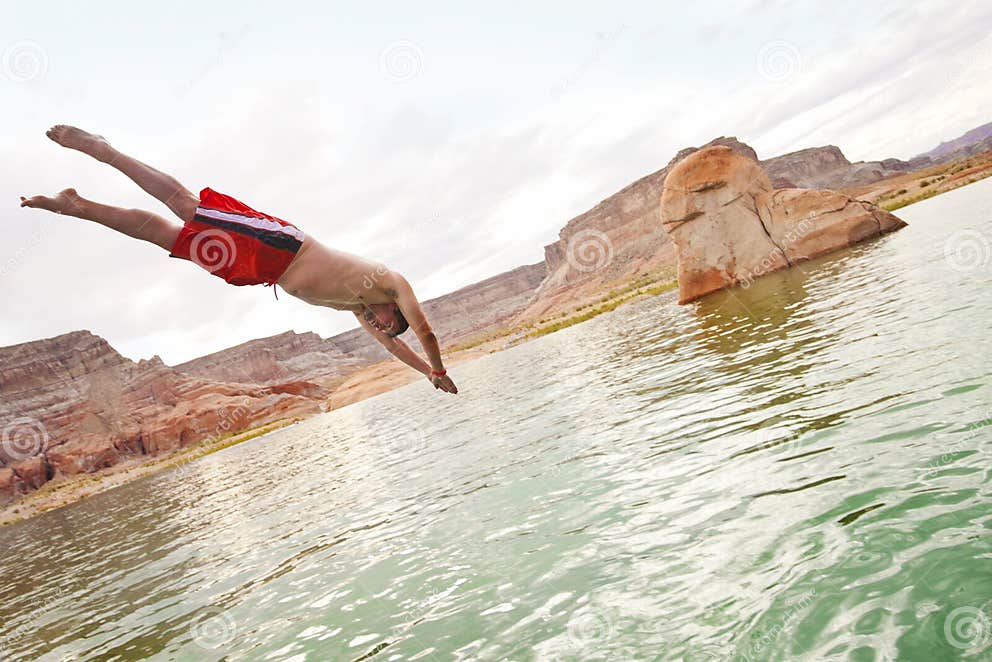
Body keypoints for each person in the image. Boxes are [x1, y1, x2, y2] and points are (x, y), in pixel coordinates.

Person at [20, 125, 458, 394]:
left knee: (165, 239)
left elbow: (395, 346)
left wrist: (426, 376)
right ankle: (102, 149)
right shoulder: (390, 282)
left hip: (259, 271)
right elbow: (423, 331)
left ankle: (74, 206)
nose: (382, 327)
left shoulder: (359, 311)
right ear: (393, 309)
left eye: (382, 328)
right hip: (283, 247)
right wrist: (438, 364)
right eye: (388, 321)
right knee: (186, 206)